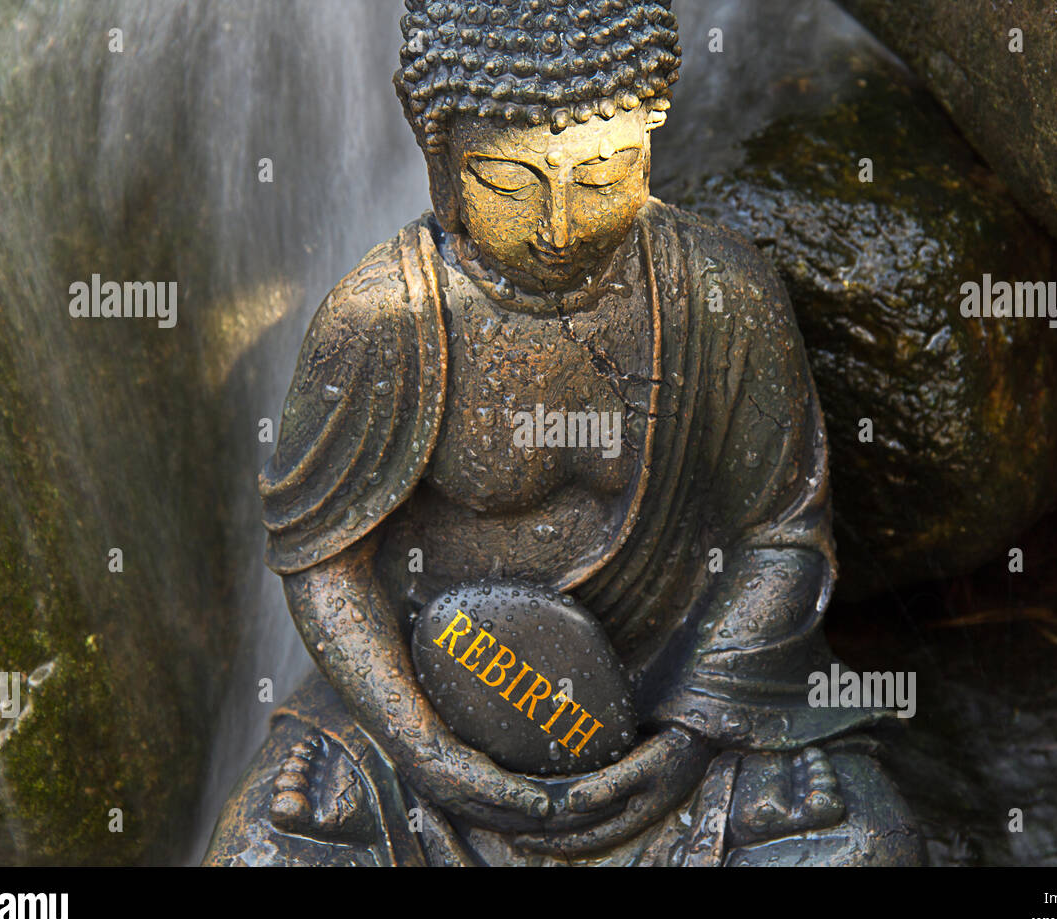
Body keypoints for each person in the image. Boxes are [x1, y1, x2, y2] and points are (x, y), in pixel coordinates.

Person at [205, 0, 921, 866]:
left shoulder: (721, 294)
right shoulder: (387, 321)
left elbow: (779, 538)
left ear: (652, 137)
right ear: (440, 160)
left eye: (603, 174)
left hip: (683, 699)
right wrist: (432, 752)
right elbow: (325, 563)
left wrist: (690, 732)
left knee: (860, 850)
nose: (559, 228)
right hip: (439, 703)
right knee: (264, 855)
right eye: (509, 184)